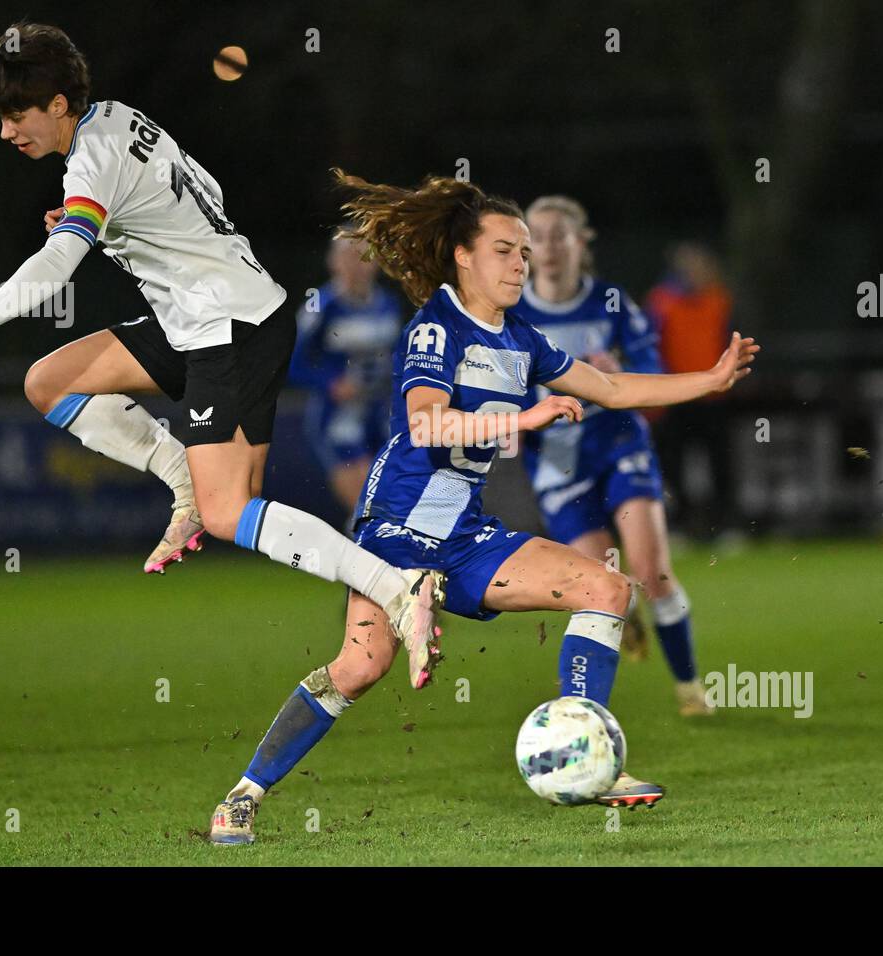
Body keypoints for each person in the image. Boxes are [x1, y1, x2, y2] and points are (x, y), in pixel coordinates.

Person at [208, 171, 758, 845]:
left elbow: (610, 386)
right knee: (361, 665)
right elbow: (427, 426)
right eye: (505, 249)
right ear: (464, 256)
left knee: (608, 589)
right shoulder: (436, 329)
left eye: (524, 252)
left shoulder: (519, 338)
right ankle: (243, 794)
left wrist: (708, 378)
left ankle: (583, 753)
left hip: (466, 538)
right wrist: (525, 421)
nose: (521, 263)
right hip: (395, 535)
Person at [0, 22, 442, 655]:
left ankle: (399, 587)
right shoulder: (118, 120)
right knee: (48, 383)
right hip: (196, 320)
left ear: (57, 105)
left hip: (231, 327)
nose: (6, 132)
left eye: (15, 115)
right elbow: (202, 192)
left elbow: (57, 265)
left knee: (229, 512)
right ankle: (180, 480)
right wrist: (107, 226)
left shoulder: (93, 157)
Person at [510, 195, 712, 717]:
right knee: (603, 582)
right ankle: (620, 634)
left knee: (651, 569)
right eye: (539, 236)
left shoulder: (612, 301)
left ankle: (691, 688)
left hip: (622, 443)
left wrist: (616, 364)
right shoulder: (512, 313)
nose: (549, 247)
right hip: (557, 461)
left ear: (582, 242)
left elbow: (653, 364)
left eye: (561, 235)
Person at [289, 233, 404, 520]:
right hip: (338, 417)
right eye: (348, 256)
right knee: (368, 505)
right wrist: (329, 382)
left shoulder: (388, 303)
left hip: (379, 413)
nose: (357, 265)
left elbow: (398, 356)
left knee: (388, 499)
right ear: (333, 261)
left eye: (363, 256)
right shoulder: (321, 305)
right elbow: (290, 363)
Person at [644, 242, 735, 538]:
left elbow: (729, 342)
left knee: (722, 464)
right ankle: (679, 526)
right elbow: (650, 347)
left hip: (714, 397)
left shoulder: (718, 300)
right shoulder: (661, 302)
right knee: (673, 465)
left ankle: (725, 527)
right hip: (677, 395)